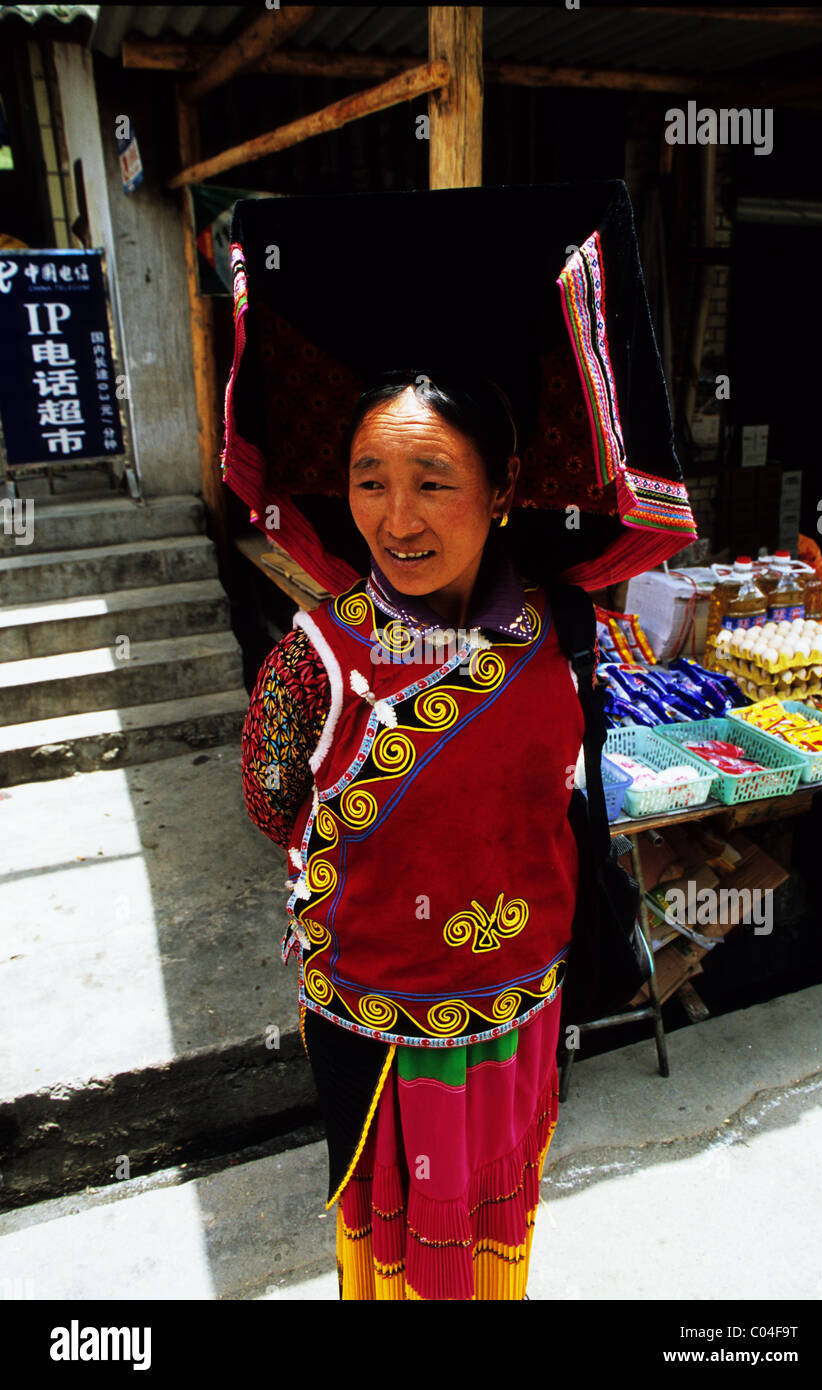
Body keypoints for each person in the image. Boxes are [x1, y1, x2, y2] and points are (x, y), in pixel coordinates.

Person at [241, 368, 594, 1300]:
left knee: (500, 1214)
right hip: (387, 1022)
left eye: (432, 481)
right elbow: (272, 803)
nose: (396, 520)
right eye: (369, 481)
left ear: (506, 486)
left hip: (520, 1000)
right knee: (403, 1244)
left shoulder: (565, 623)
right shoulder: (311, 664)